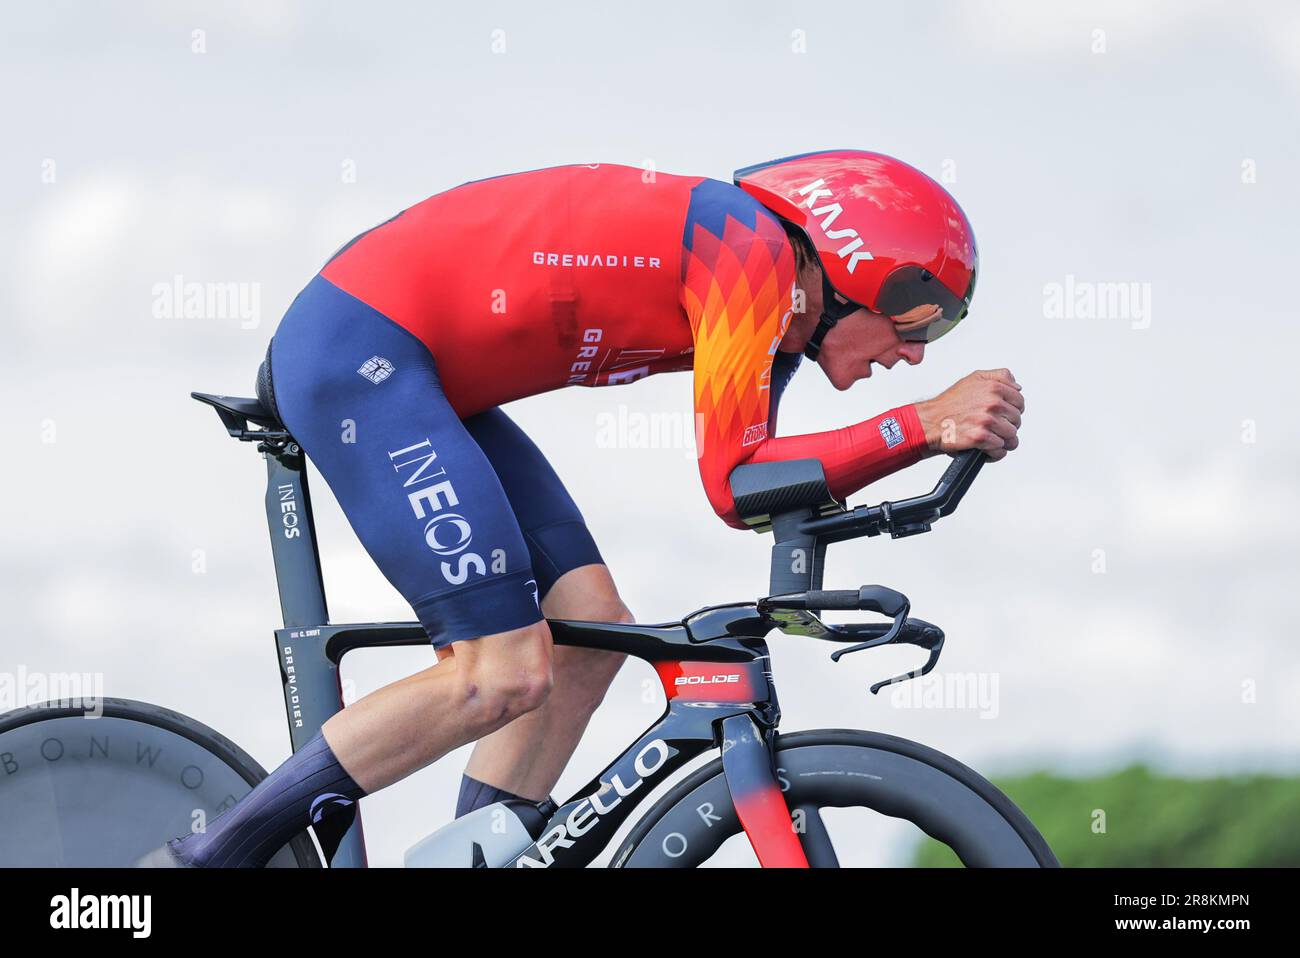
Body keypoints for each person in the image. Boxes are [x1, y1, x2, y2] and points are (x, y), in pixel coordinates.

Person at [143, 149, 1023, 867]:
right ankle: (207, 862)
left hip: (429, 380)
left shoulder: (772, 317)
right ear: (845, 268)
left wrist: (898, 486)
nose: (914, 352)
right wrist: (923, 423)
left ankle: (471, 863)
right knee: (501, 669)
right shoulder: (745, 248)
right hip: (362, 354)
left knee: (589, 633)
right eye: (915, 319)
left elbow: (758, 494)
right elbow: (736, 482)